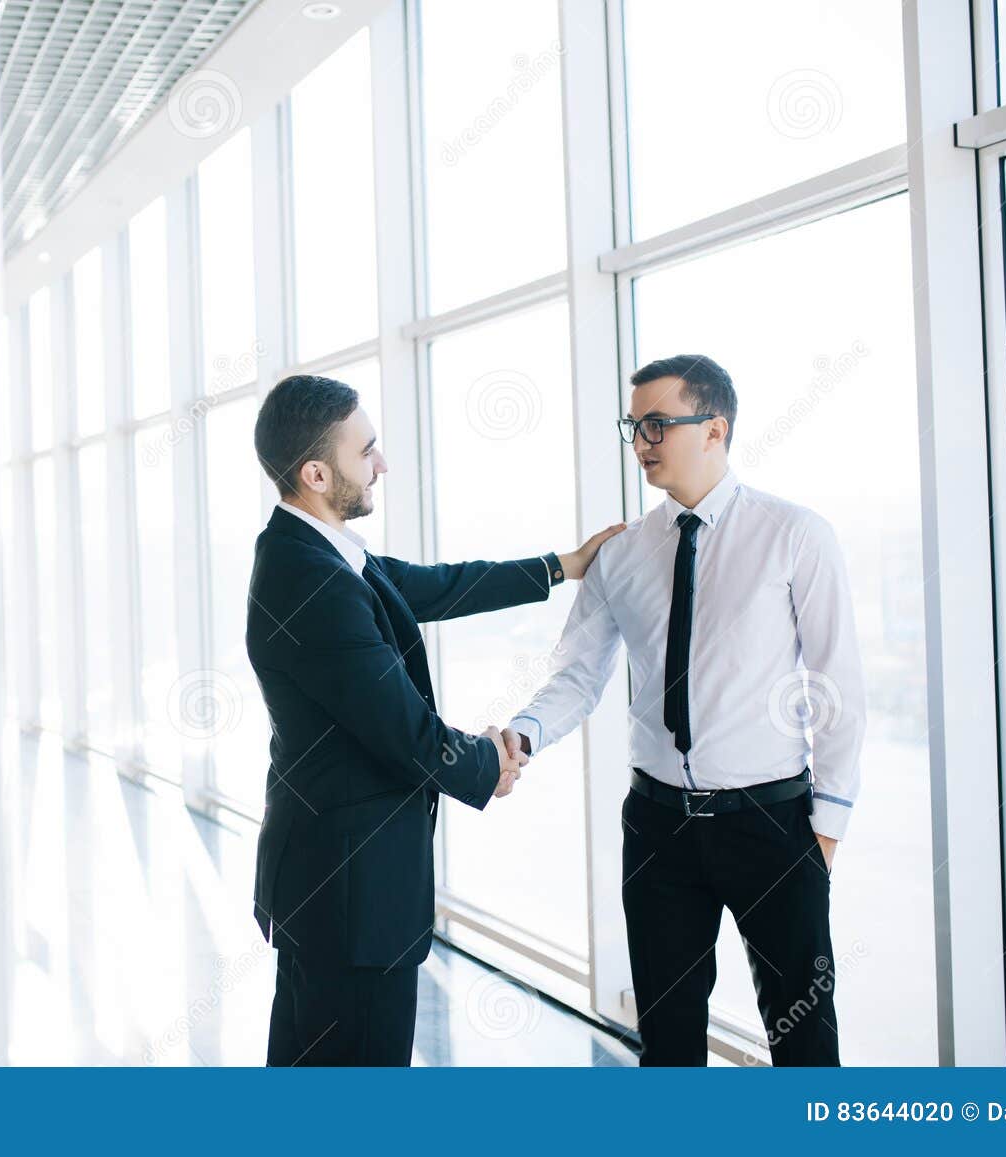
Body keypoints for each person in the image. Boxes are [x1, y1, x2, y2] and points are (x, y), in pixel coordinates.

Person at [247, 373, 623, 1066]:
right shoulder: (313, 581)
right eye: (368, 452)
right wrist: (491, 764)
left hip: (323, 881)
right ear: (317, 472)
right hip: (350, 892)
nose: (382, 464)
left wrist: (561, 566)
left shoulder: (312, 551)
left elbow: (432, 585)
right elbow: (402, 727)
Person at [504, 354, 865, 1066]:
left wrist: (824, 831)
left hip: (772, 825)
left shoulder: (795, 534)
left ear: (716, 429)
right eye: (634, 426)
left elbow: (837, 687)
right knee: (666, 1042)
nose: (641, 443)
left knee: (804, 1042)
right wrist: (521, 734)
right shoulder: (622, 555)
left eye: (657, 424)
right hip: (658, 826)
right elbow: (577, 676)